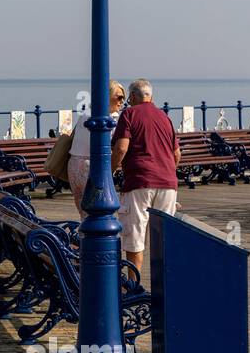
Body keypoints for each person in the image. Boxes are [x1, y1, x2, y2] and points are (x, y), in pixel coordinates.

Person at [111, 78, 180, 271]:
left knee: (135, 238)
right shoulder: (165, 117)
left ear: (132, 97)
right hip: (168, 183)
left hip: (139, 181)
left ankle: (134, 286)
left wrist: (110, 171)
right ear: (151, 96)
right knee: (163, 239)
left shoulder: (129, 114)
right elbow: (176, 154)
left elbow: (121, 148)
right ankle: (165, 289)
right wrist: (165, 171)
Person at [68, 80, 125, 218]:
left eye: (123, 97)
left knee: (85, 214)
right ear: (106, 96)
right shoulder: (105, 119)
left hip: (74, 165)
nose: (122, 101)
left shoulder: (87, 114)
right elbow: (118, 146)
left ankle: (84, 238)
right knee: (98, 213)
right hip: (90, 166)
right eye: (119, 97)